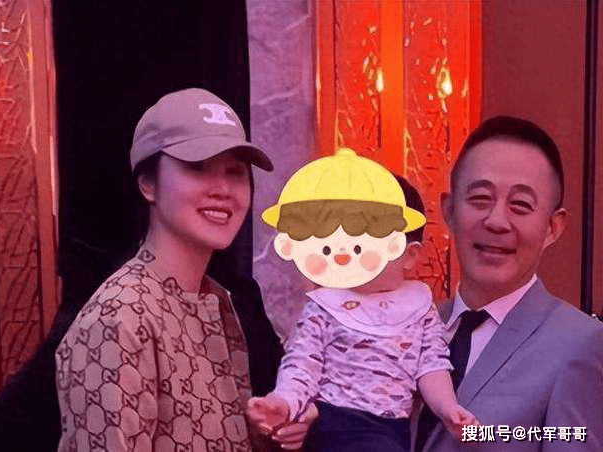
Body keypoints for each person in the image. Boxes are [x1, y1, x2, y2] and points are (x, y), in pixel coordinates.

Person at [54, 88, 308, 451]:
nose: (223, 188)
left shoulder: (219, 300)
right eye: (198, 167)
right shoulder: (119, 318)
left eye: (235, 172)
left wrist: (274, 431)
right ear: (148, 184)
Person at [247, 149, 478, 452]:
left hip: (389, 429)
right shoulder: (324, 306)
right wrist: (283, 402)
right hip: (330, 422)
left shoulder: (420, 307)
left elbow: (431, 365)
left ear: (408, 255)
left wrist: (448, 408)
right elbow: (302, 365)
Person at [415, 116, 603, 452]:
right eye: (480, 198)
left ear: (552, 227)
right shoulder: (413, 325)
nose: (497, 221)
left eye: (520, 205)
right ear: (449, 210)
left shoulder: (579, 344)